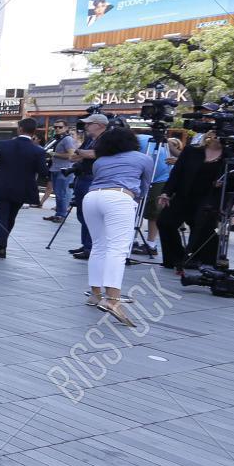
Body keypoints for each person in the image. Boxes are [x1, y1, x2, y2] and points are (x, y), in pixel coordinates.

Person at [82, 127, 153, 326]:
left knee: (99, 246)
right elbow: (145, 185)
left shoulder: (100, 161)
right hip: (119, 197)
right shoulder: (142, 158)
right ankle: (112, 299)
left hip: (92, 197)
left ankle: (95, 294)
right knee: (118, 249)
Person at [158, 132, 233, 272]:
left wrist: (223, 184)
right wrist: (166, 192)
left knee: (203, 227)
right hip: (184, 194)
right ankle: (177, 258)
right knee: (165, 222)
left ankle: (204, 260)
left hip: (209, 198)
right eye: (215, 135)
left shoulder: (229, 155)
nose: (217, 138)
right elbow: (177, 173)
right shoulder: (192, 151)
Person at [0, 117, 50, 258]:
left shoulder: (3, 145)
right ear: (33, 132)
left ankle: (1, 245)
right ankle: (2, 240)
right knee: (11, 217)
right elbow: (43, 172)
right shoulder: (38, 151)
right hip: (22, 188)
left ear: (20, 129)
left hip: (2, 186)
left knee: (1, 216)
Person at [67, 113, 110, 259]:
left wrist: (80, 152)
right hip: (83, 176)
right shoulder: (91, 139)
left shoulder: (106, 139)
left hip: (93, 179)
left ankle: (91, 247)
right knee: (82, 213)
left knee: (90, 214)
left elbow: (94, 154)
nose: (86, 126)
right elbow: (78, 156)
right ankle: (86, 244)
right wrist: (81, 153)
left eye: (89, 123)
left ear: (99, 125)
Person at [136, 133, 179, 257]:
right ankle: (132, 241)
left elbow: (182, 156)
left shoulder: (143, 139)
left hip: (160, 178)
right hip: (142, 177)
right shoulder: (137, 141)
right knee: (135, 208)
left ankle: (151, 244)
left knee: (155, 211)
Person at [44, 120, 79, 223]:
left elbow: (71, 155)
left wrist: (54, 154)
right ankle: (58, 214)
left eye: (60, 127)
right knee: (58, 193)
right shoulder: (57, 139)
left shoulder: (67, 139)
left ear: (66, 128)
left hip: (64, 170)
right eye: (55, 127)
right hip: (56, 169)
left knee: (62, 193)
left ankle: (61, 215)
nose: (57, 129)